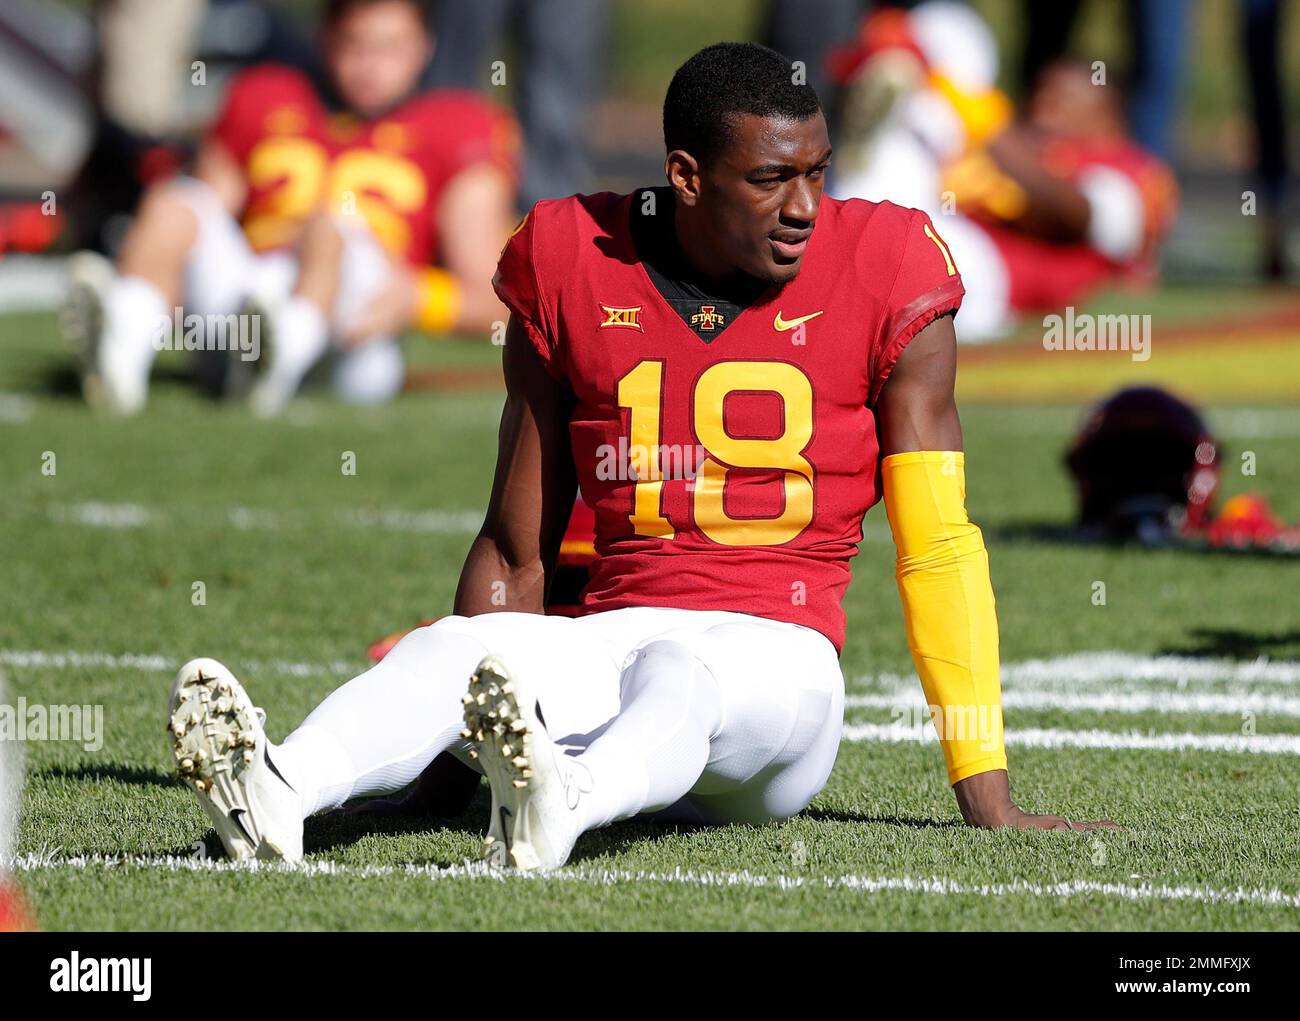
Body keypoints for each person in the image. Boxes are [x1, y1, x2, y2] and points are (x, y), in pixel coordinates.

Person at [166, 42, 1113, 870]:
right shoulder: (572, 255)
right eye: (771, 179)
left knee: (683, 667)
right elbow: (515, 545)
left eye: (817, 173)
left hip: (780, 671)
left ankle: (565, 800)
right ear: (687, 175)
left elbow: (937, 544)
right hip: (607, 639)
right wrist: (446, 760)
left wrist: (985, 792)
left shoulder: (888, 261)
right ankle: (278, 794)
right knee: (449, 647)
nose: (804, 207)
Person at [68, 0, 518, 415]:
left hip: (354, 326)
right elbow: (204, 212)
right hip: (250, 298)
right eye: (355, 45)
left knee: (330, 224)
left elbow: (501, 297)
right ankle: (123, 345)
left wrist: (418, 298)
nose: (370, 66)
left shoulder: (461, 125)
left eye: (390, 48)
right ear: (325, 38)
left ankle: (279, 356)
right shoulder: (265, 92)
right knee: (175, 199)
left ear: (425, 47)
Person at [830, 2, 1177, 342]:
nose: (1041, 115)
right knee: (941, 31)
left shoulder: (1130, 169)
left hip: (988, 278)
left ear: (1106, 115)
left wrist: (979, 111)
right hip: (941, 227)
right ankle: (897, 69)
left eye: (1057, 103)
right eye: (1037, 100)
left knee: (892, 238)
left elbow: (1072, 213)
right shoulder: (1016, 145)